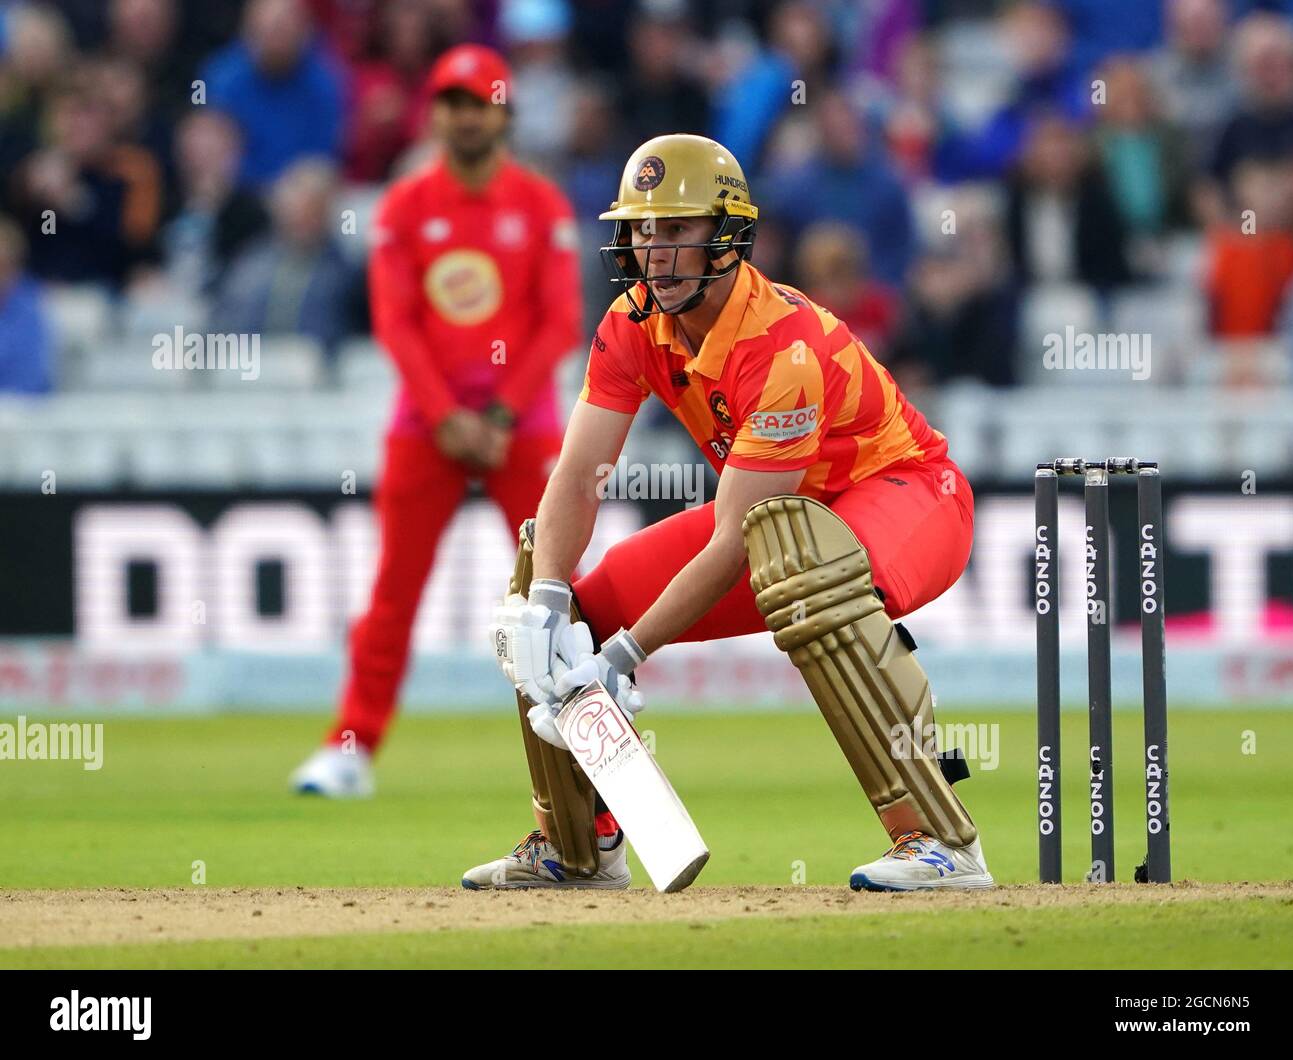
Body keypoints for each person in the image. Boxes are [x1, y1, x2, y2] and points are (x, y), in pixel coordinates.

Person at [466, 134, 994, 892]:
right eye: (643, 230)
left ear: (728, 234)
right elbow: (579, 475)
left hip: (911, 495)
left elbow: (733, 537)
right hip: (784, 522)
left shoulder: (781, 346)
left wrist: (622, 658)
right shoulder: (630, 323)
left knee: (807, 568)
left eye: (677, 229)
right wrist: (551, 604)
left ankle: (940, 841)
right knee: (556, 603)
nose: (655, 251)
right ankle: (580, 843)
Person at [289, 44, 581, 797]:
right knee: (394, 593)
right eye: (451, 102)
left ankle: (594, 750)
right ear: (436, 113)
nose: (464, 116)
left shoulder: (540, 206)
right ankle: (350, 749)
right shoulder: (406, 206)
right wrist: (450, 416)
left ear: (504, 113)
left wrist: (500, 411)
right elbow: (395, 323)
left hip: (522, 427)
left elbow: (560, 324)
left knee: (560, 594)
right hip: (429, 428)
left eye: (478, 102)